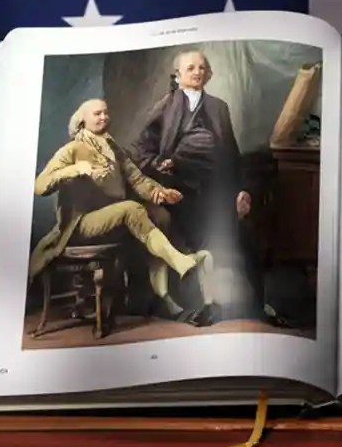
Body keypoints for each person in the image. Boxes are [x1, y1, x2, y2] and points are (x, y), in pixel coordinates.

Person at [30, 98, 216, 326]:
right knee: (132, 208)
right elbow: (39, 185)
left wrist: (160, 192)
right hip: (80, 225)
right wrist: (75, 169)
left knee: (160, 216)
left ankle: (165, 298)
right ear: (82, 121)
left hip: (111, 221)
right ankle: (180, 263)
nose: (103, 117)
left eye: (106, 113)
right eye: (97, 114)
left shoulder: (112, 147)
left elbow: (136, 179)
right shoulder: (73, 149)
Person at [129, 48, 281, 325]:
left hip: (217, 190)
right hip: (179, 192)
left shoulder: (219, 107)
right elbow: (140, 151)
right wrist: (159, 165)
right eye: (191, 68)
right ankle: (203, 306)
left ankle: (262, 304)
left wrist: (242, 190)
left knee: (247, 238)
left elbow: (233, 155)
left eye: (202, 68)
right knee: (198, 245)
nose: (198, 72)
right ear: (178, 76)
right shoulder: (165, 106)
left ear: (208, 73)